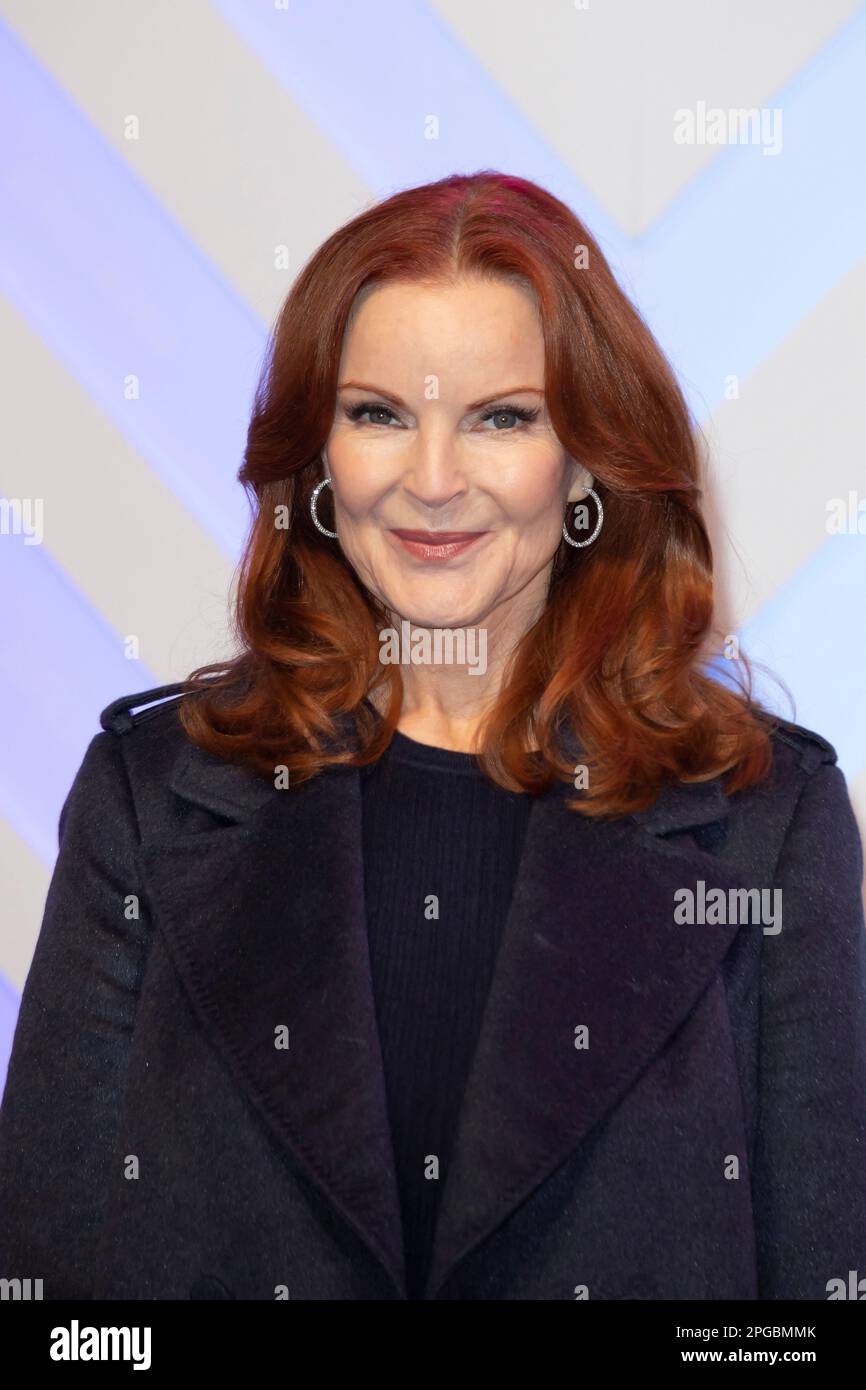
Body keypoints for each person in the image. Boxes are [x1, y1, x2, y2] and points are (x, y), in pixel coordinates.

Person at [1, 171, 864, 1301]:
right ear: (317, 457)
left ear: (588, 462)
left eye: (500, 418)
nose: (433, 482)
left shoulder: (764, 816)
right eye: (378, 415)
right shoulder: (153, 797)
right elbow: (51, 1298)